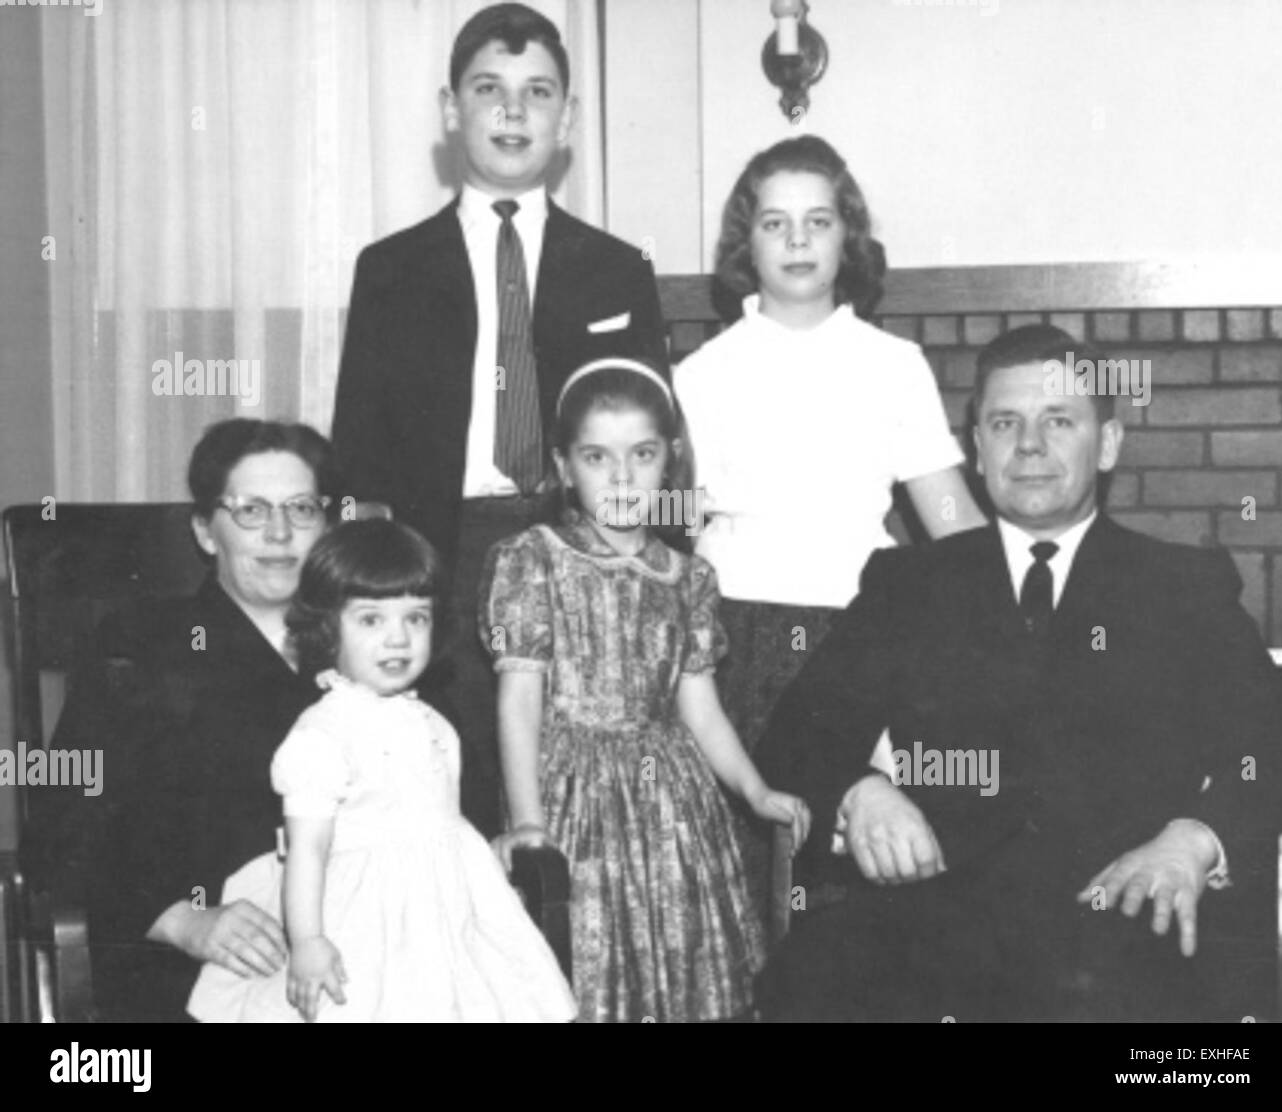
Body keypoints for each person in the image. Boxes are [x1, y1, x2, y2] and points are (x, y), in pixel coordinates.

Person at [755, 324, 1282, 1022]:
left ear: (1106, 444)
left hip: (1124, 922)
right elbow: (794, 734)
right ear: (977, 448)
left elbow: (1276, 748)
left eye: (1058, 421)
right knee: (805, 979)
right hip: (941, 925)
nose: (1029, 445)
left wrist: (1193, 841)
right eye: (1005, 423)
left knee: (1197, 1056)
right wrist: (862, 792)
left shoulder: (1182, 587)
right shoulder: (910, 585)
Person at [332, 3, 667, 838]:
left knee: (577, 798)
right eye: (490, 89)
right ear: (452, 111)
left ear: (569, 119)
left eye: (538, 92)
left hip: (578, 552)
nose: (514, 112)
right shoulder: (392, 270)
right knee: (457, 791)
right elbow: (359, 457)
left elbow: (657, 444)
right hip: (440, 557)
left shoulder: (618, 270)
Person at [673, 135, 985, 914]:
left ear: (849, 236)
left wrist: (1014, 601)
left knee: (856, 879)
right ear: (746, 243)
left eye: (818, 220)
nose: (799, 240)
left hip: (862, 638)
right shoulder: (702, 374)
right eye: (775, 224)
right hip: (733, 634)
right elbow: (673, 526)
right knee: (751, 876)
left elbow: (952, 519)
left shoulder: (893, 363)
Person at [479, 358, 811, 1022]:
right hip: (569, 795)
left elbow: (701, 708)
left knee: (681, 961)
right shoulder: (534, 558)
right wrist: (528, 823)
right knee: (580, 965)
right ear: (565, 466)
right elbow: (519, 703)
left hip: (672, 805)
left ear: (672, 462)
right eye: (598, 456)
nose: (623, 477)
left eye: (643, 454)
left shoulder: (686, 578)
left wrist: (754, 789)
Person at [186, 520, 575, 1022]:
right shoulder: (323, 733)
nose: (398, 638)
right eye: (371, 621)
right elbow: (308, 848)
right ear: (328, 628)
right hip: (364, 920)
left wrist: (488, 854)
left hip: (445, 913)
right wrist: (308, 941)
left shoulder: (434, 721)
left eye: (416, 618)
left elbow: (444, 822)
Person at [21, 419, 340, 1022]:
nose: (279, 532)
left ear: (325, 526)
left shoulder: (373, 644)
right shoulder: (142, 647)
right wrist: (181, 919)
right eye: (250, 510)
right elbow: (62, 827)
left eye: (300, 508)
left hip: (353, 952)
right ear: (205, 531)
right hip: (201, 967)